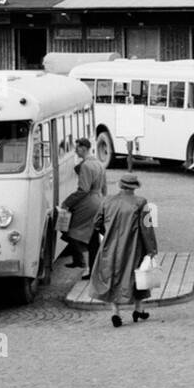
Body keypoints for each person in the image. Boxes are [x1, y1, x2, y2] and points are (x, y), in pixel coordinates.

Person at [88, 172, 158, 328]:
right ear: (134, 187)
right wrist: (151, 249)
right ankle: (138, 309)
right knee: (137, 276)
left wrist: (107, 234)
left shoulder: (107, 201)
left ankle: (115, 312)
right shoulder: (141, 203)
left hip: (110, 247)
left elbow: (97, 223)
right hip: (133, 247)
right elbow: (147, 228)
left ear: (120, 185)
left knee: (112, 277)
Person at [60, 137, 107, 275]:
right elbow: (104, 188)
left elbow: (83, 190)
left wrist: (67, 203)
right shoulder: (98, 163)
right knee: (93, 238)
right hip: (98, 200)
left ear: (83, 149)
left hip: (88, 202)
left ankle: (81, 261)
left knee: (69, 229)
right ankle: (91, 268)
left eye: (77, 148)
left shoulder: (86, 165)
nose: (75, 150)